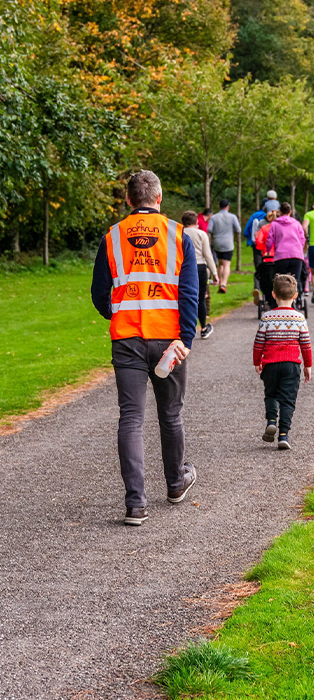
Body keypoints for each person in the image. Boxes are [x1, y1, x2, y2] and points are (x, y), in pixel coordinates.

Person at [91, 170, 198, 527]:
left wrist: (116, 312)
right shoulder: (178, 234)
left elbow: (99, 293)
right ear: (160, 198)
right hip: (169, 340)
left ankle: (136, 504)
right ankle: (174, 483)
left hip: (127, 339)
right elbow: (189, 295)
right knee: (170, 414)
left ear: (128, 200)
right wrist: (185, 338)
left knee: (131, 417)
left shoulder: (113, 236)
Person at [253, 274, 311, 450]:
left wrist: (257, 361)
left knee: (271, 394)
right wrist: (308, 365)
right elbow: (306, 345)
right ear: (295, 296)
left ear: (273, 294)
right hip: (291, 365)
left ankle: (271, 420)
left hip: (270, 364)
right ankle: (284, 435)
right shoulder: (299, 319)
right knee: (288, 400)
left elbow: (259, 343)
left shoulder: (267, 317)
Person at [181, 210, 218, 338]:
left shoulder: (178, 233)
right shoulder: (201, 234)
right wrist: (214, 273)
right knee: (200, 298)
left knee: (183, 298)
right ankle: (203, 327)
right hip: (200, 267)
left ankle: (183, 328)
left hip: (183, 267)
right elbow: (208, 255)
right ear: (196, 221)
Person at [266, 202, 306, 300]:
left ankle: (281, 301)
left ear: (280, 212)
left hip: (281, 256)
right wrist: (299, 248)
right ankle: (296, 300)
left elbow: (269, 240)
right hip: (296, 255)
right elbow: (302, 239)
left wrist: (268, 251)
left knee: (281, 281)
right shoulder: (296, 223)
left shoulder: (275, 224)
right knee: (295, 279)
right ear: (290, 212)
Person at [245, 200, 280, 301]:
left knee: (260, 272)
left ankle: (258, 289)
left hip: (265, 255)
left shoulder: (262, 224)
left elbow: (258, 241)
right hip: (278, 256)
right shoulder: (280, 226)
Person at [207, 199, 241, 293]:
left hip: (217, 243)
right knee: (226, 264)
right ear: (228, 206)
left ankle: (220, 282)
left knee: (220, 264)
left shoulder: (214, 217)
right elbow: (238, 229)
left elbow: (209, 229)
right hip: (228, 243)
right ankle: (223, 284)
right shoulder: (232, 217)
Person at [254, 209, 280, 305]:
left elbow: (258, 241)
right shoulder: (281, 228)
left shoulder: (264, 228)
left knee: (264, 278)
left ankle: (268, 299)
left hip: (267, 257)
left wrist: (263, 249)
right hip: (280, 257)